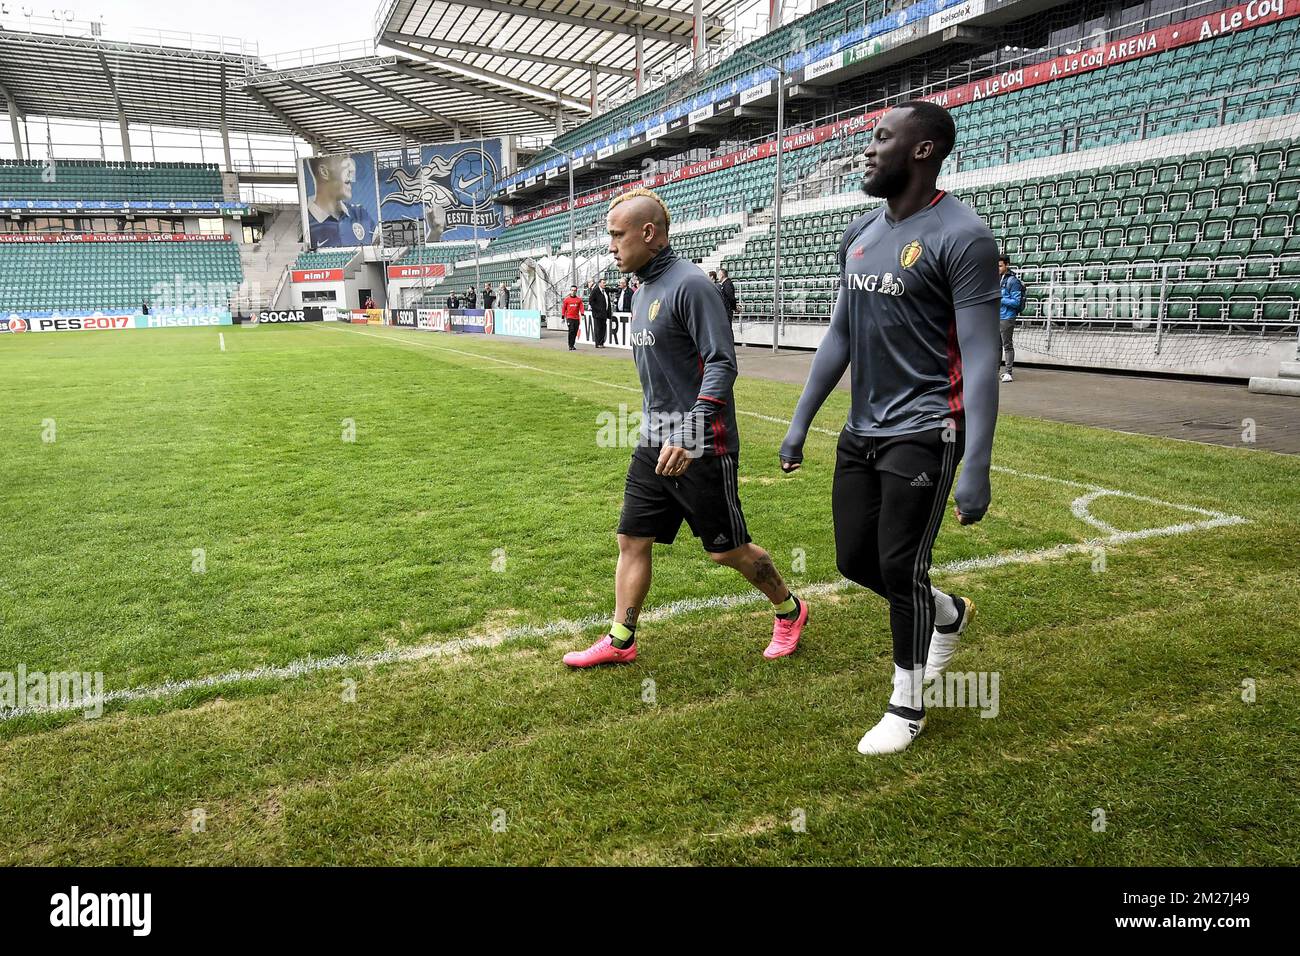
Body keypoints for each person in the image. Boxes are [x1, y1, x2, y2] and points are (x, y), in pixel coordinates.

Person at [779, 101, 1001, 755]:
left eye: (881, 138)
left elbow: (983, 356)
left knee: (901, 563)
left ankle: (907, 706)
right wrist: (800, 424)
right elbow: (840, 336)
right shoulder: (860, 232)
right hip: (862, 429)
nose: (867, 150)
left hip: (928, 428)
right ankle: (946, 611)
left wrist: (978, 464)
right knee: (856, 560)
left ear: (924, 150)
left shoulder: (964, 236)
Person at [562, 187, 808, 668]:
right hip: (654, 441)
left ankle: (789, 608)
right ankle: (620, 639)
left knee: (727, 551)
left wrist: (691, 429)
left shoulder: (692, 284)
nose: (611, 245)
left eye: (617, 235)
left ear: (648, 233)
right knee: (632, 539)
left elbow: (722, 363)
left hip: (701, 445)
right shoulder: (641, 288)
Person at [306, 154, 379, 249]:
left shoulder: (360, 214)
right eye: (346, 162)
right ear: (324, 172)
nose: (352, 169)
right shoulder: (308, 225)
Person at [998, 254, 1025, 383]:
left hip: (1007, 317)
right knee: (996, 346)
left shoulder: (1013, 281)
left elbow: (1016, 302)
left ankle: (1008, 372)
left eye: (1000, 266)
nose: (997, 268)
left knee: (1007, 345)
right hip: (996, 317)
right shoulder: (997, 279)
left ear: (1007, 265)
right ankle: (995, 371)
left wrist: (1000, 298)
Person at [610, 276, 633, 345]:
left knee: (626, 328)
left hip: (626, 312)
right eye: (619, 282)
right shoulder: (619, 291)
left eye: (621, 282)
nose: (619, 284)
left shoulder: (630, 292)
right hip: (619, 312)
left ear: (625, 284)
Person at [589, 277, 610, 348]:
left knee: (603, 328)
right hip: (597, 314)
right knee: (598, 328)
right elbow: (591, 301)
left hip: (604, 313)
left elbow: (613, 290)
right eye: (603, 283)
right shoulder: (595, 291)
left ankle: (601, 342)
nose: (605, 284)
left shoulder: (606, 290)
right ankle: (597, 343)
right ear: (599, 283)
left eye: (605, 283)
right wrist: (598, 309)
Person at [561, 285, 584, 350]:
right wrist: (563, 317)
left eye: (574, 290)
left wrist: (582, 314)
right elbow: (564, 308)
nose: (573, 292)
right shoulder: (566, 300)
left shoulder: (579, 300)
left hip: (576, 318)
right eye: (572, 290)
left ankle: (572, 345)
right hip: (569, 318)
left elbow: (581, 307)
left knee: (575, 332)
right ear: (570, 291)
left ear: (576, 291)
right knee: (571, 330)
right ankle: (570, 345)